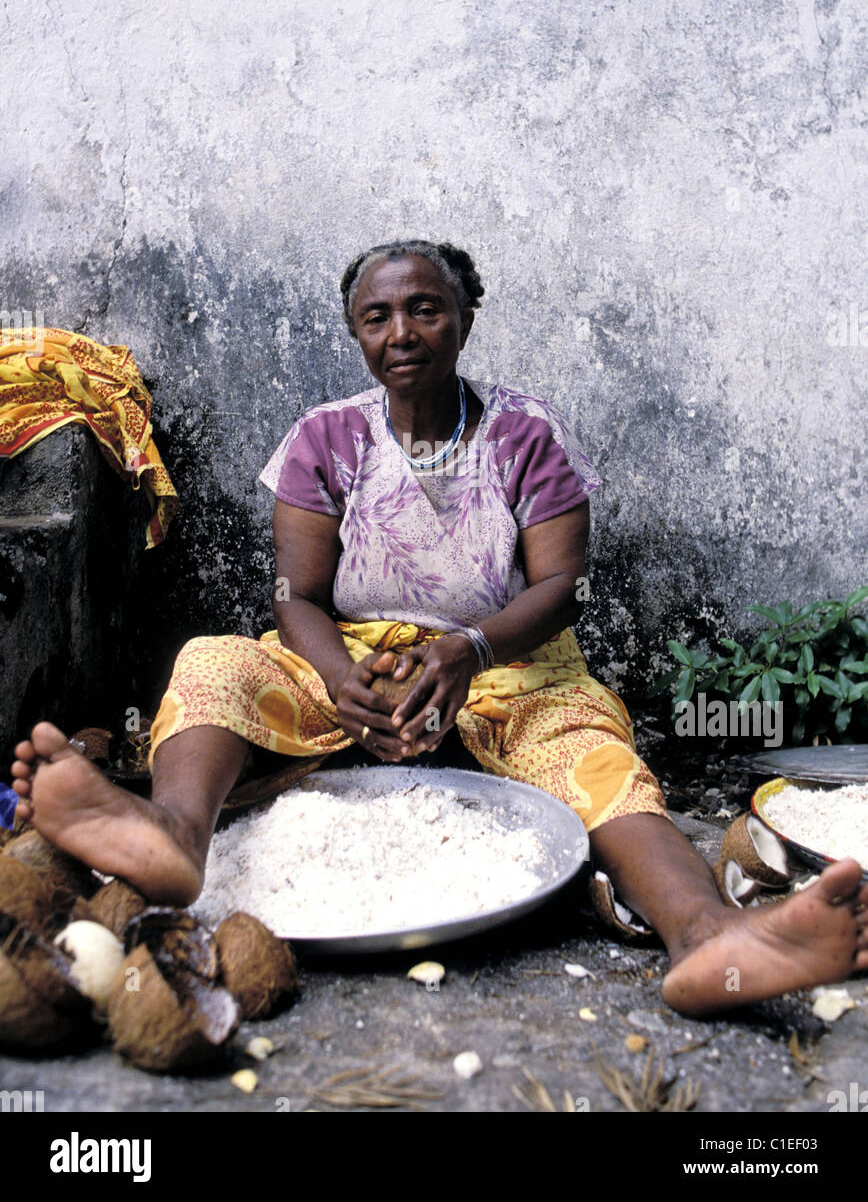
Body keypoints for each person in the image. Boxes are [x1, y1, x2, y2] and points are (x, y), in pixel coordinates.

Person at [10, 239, 868, 1018]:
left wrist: (469, 648)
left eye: (425, 308)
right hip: (354, 656)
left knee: (590, 751)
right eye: (377, 316)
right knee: (215, 663)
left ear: (465, 317)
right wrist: (341, 683)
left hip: (508, 655)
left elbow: (563, 586)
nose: (403, 331)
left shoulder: (526, 435)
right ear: (355, 334)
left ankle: (709, 935)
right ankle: (170, 834)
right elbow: (296, 595)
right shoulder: (325, 438)